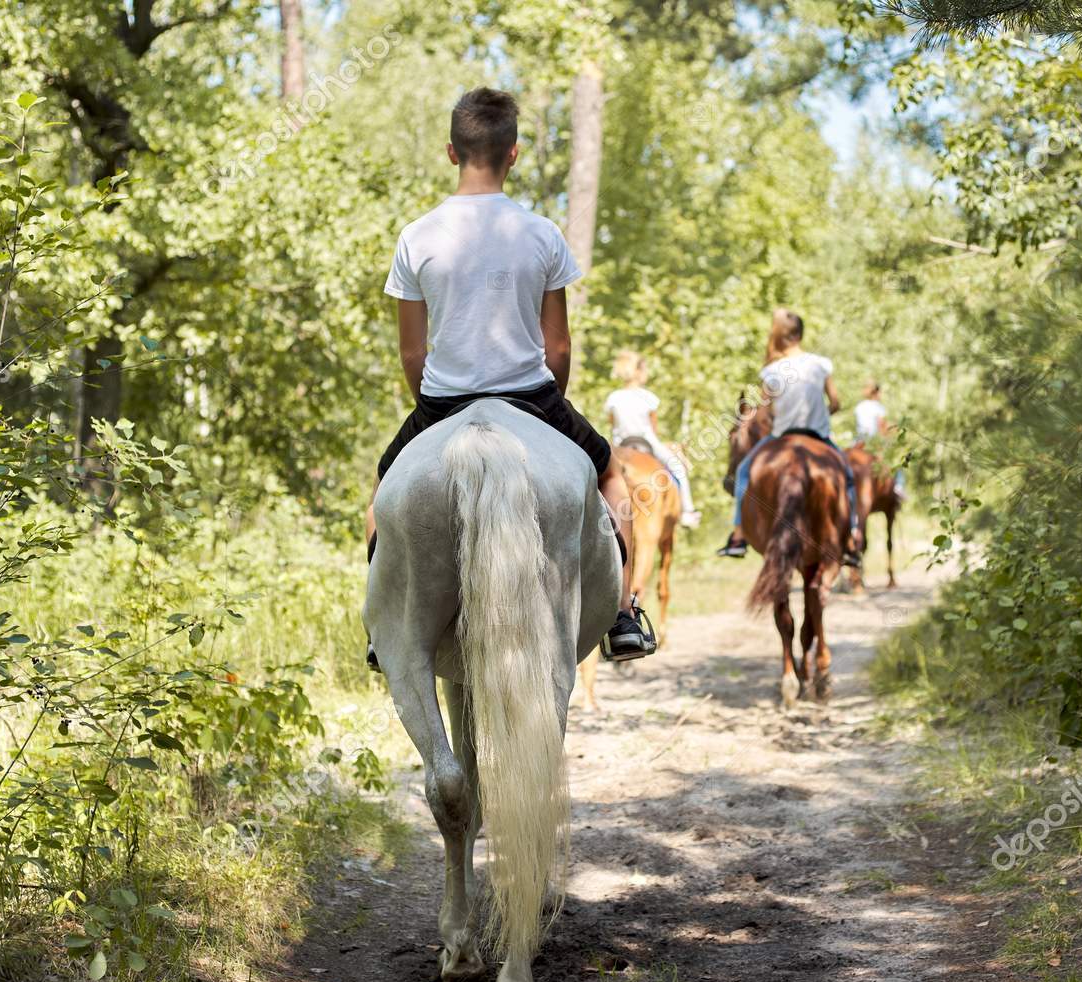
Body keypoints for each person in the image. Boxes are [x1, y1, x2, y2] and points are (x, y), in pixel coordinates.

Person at [367, 87, 656, 666]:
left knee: (381, 496)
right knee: (615, 480)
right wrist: (549, 411)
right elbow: (559, 344)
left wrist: (431, 410)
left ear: (452, 152)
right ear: (514, 154)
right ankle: (623, 615)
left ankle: (385, 632)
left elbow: (410, 354)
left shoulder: (416, 236)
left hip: (441, 405)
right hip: (534, 398)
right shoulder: (543, 233)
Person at [717, 308, 862, 567]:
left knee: (743, 473)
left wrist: (777, 416)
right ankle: (851, 536)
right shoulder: (821, 364)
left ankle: (738, 535)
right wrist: (823, 415)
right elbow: (836, 402)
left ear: (781, 338)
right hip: (818, 436)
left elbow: (763, 413)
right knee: (848, 476)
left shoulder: (772, 370)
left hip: (781, 436)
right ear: (800, 335)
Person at [604, 351, 702, 528]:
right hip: (647, 443)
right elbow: (653, 429)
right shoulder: (648, 398)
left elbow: (613, 425)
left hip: (620, 446)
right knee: (677, 467)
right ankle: (687, 511)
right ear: (639, 371)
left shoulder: (613, 398)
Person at [853, 379, 905, 500]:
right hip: (873, 442)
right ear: (876, 392)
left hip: (858, 441)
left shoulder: (859, 406)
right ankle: (899, 486)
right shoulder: (879, 408)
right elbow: (882, 428)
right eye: (880, 392)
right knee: (897, 459)